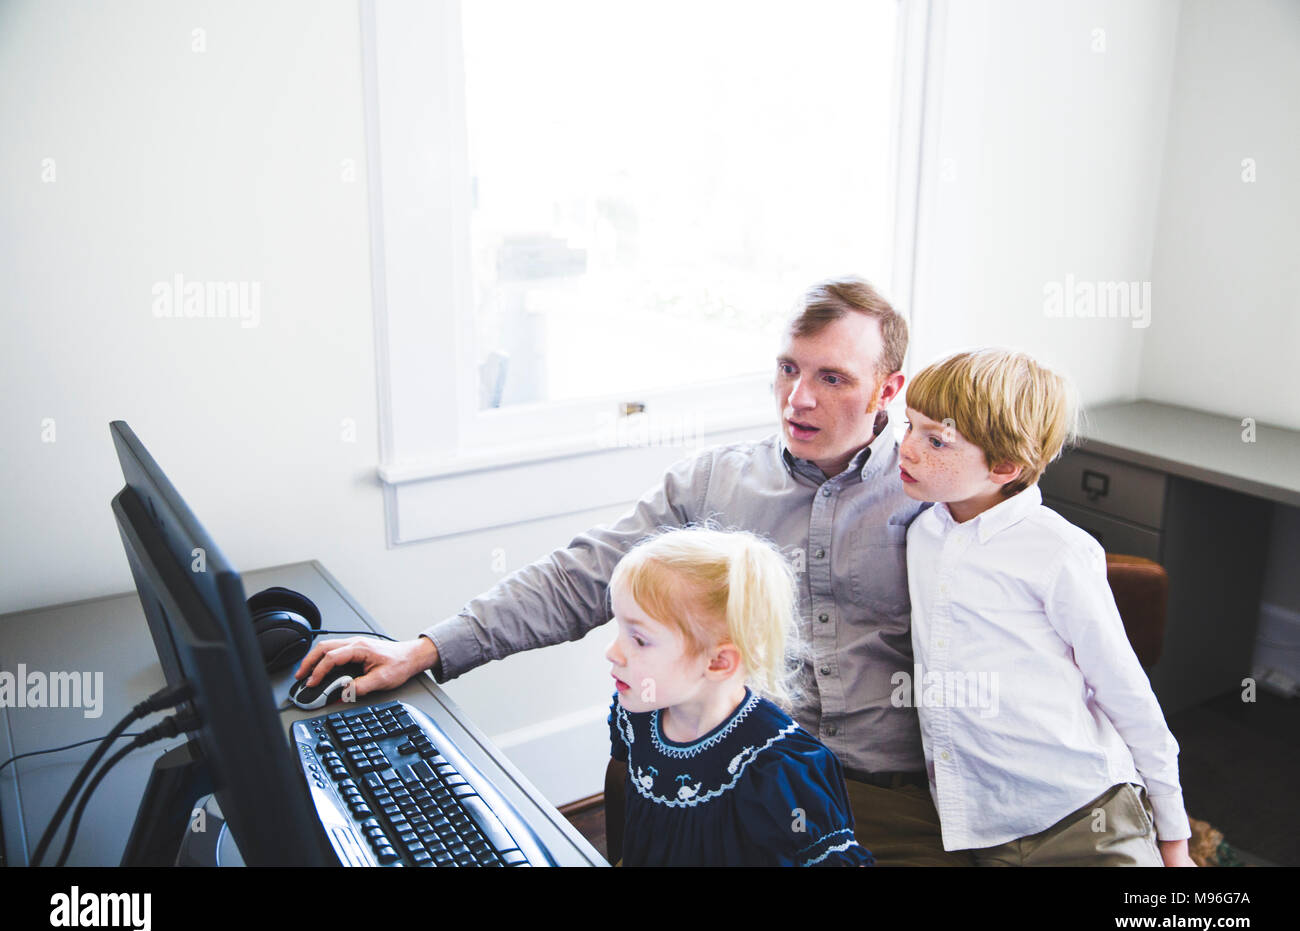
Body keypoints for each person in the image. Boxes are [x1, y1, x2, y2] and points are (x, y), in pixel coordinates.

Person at [297, 276, 973, 865]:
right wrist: (428, 649)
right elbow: (580, 576)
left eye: (832, 378)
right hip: (729, 774)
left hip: (887, 795)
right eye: (787, 369)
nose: (797, 399)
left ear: (888, 390)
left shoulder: (939, 492)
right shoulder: (715, 483)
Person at [898, 348, 1195, 866]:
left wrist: (1174, 835)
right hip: (979, 820)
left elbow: (1126, 691)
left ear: (1005, 466)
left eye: (936, 440)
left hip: (1082, 812)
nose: (906, 450)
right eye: (909, 427)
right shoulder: (922, 532)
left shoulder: (1059, 552)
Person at [605, 527, 872, 866]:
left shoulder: (779, 773)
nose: (612, 652)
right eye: (618, 629)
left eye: (639, 639)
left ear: (718, 662)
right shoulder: (637, 714)